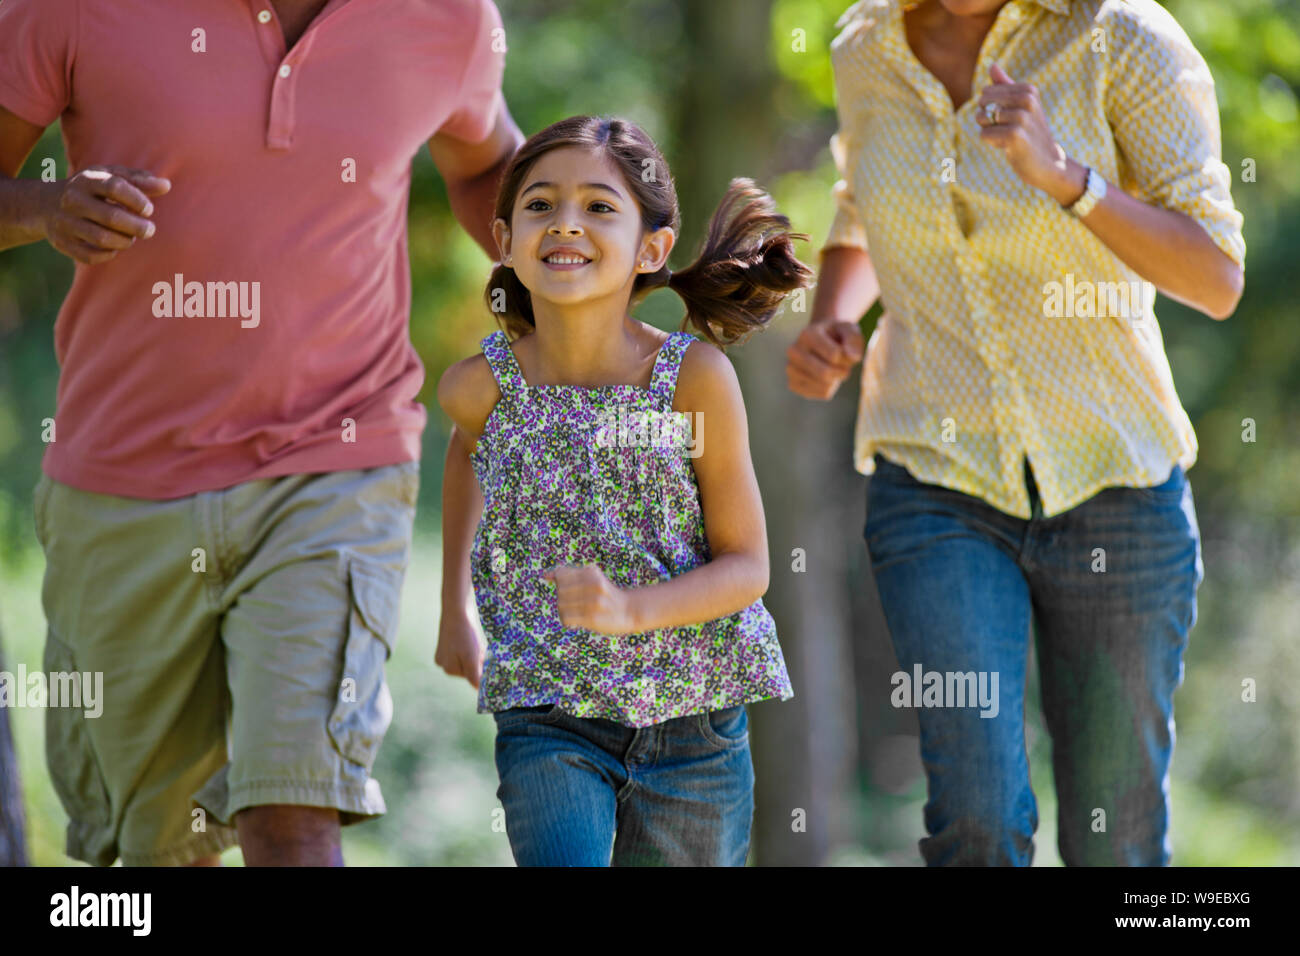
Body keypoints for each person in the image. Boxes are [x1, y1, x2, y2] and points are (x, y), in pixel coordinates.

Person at [0, 0, 524, 866]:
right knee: (157, 854)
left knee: (294, 812)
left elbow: (486, 163)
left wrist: (554, 276)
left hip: (335, 460)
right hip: (123, 479)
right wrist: (46, 207)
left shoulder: (446, 16)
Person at [786, 0, 1245, 865]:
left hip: (1116, 479)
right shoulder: (864, 45)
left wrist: (1069, 178)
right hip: (934, 475)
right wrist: (833, 320)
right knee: (977, 817)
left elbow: (1216, 275)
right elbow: (860, 206)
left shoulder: (1122, 36)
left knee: (1119, 839)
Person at [435, 115, 810, 866]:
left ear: (652, 249)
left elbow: (748, 568)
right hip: (549, 714)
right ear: (505, 238)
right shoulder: (482, 388)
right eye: (540, 205)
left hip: (695, 727)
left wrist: (628, 610)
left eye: (599, 207)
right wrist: (456, 608)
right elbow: (466, 454)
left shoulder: (692, 380)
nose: (565, 223)